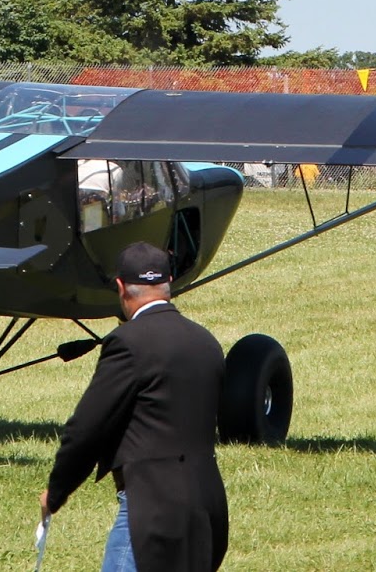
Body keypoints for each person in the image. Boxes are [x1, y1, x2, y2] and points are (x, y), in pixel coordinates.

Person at [40, 242, 228, 572]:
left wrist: (56, 493)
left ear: (121, 287)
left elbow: (87, 428)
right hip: (208, 507)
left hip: (151, 509)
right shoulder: (206, 342)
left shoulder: (128, 343)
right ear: (169, 282)